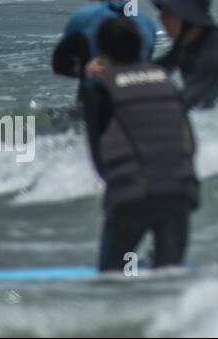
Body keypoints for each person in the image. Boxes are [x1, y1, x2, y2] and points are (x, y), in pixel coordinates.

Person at [82, 17, 199, 273]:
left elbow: (98, 157)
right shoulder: (166, 82)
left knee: (111, 277)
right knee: (169, 275)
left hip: (132, 194)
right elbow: (190, 143)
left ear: (101, 52)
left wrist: (90, 82)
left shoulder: (101, 89)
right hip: (180, 190)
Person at [52, 0, 158, 109]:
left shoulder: (84, 18)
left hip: (97, 109)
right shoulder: (147, 24)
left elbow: (59, 65)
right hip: (141, 107)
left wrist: (83, 70)